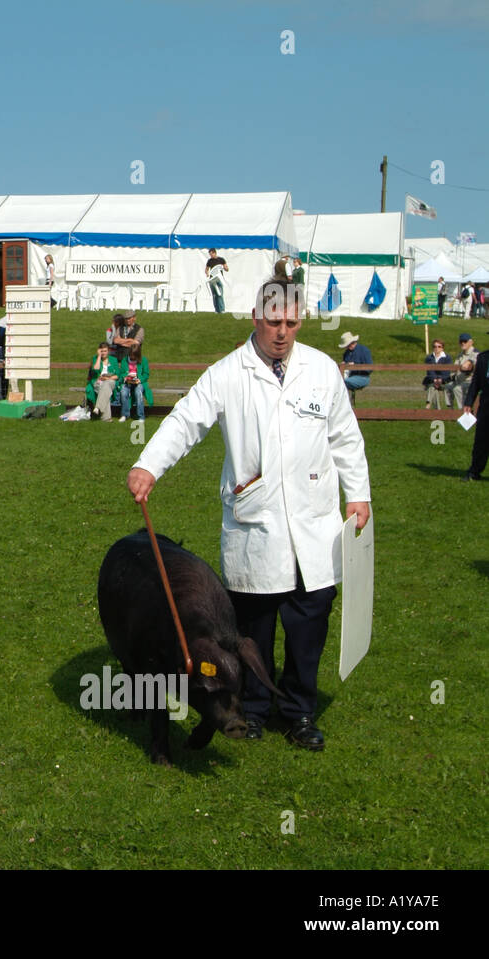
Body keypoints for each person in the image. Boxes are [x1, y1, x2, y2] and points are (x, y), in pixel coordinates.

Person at [127, 277, 371, 750]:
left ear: (300, 320)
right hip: (255, 525)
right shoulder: (227, 373)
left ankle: (299, 712)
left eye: (291, 322)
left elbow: (345, 437)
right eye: (273, 320)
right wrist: (148, 464)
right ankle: (254, 709)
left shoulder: (321, 371)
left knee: (308, 624)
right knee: (253, 628)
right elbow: (185, 419)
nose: (282, 331)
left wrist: (357, 494)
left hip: (315, 526)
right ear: (256, 318)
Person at [462, 341, 489, 481]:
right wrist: (468, 402)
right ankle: (474, 471)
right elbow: (476, 382)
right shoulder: (483, 358)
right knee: (481, 440)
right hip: (486, 405)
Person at [113, 342, 152, 421]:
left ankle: (140, 416)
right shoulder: (125, 360)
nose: (132, 357)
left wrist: (139, 379)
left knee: (138, 392)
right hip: (127, 381)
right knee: (123, 392)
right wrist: (125, 377)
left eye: (134, 356)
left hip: (139, 382)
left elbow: (146, 374)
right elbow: (121, 373)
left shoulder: (143, 360)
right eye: (131, 355)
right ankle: (124, 414)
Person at [86, 342, 117, 420]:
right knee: (106, 391)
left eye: (105, 351)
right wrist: (99, 356)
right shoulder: (96, 358)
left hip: (110, 381)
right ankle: (106, 418)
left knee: (107, 385)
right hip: (98, 382)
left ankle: (97, 407)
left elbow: (118, 375)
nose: (103, 353)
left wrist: (108, 378)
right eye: (102, 351)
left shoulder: (113, 360)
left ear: (108, 351)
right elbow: (95, 369)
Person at [339, 331, 372, 404]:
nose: (347, 347)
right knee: (337, 382)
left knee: (342, 383)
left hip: (363, 377)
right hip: (348, 376)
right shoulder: (346, 353)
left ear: (352, 342)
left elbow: (370, 368)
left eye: (347, 345)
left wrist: (355, 366)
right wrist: (343, 365)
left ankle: (345, 404)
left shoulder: (364, 350)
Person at [422, 339, 453, 409]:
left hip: (444, 381)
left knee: (447, 388)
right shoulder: (429, 358)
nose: (437, 348)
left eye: (439, 346)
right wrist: (435, 380)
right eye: (435, 346)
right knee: (432, 388)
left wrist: (439, 380)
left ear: (442, 348)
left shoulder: (447, 358)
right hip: (432, 381)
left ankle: (449, 407)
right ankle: (435, 408)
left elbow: (446, 372)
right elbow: (429, 372)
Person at [450, 333, 479, 408]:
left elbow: (473, 361)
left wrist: (469, 362)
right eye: (461, 341)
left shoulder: (475, 352)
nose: (463, 343)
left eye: (465, 341)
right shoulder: (460, 355)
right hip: (458, 380)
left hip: (470, 381)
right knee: (447, 386)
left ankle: (463, 411)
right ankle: (449, 411)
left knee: (457, 389)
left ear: (470, 342)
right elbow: (454, 368)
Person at [205, 249, 228, 313]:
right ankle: (217, 310)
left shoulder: (221, 260)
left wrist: (224, 267)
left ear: (215, 253)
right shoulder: (209, 261)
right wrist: (207, 273)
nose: (210, 255)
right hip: (212, 280)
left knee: (220, 294)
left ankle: (222, 309)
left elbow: (227, 268)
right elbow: (206, 269)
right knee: (214, 295)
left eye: (211, 254)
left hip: (219, 279)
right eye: (210, 254)